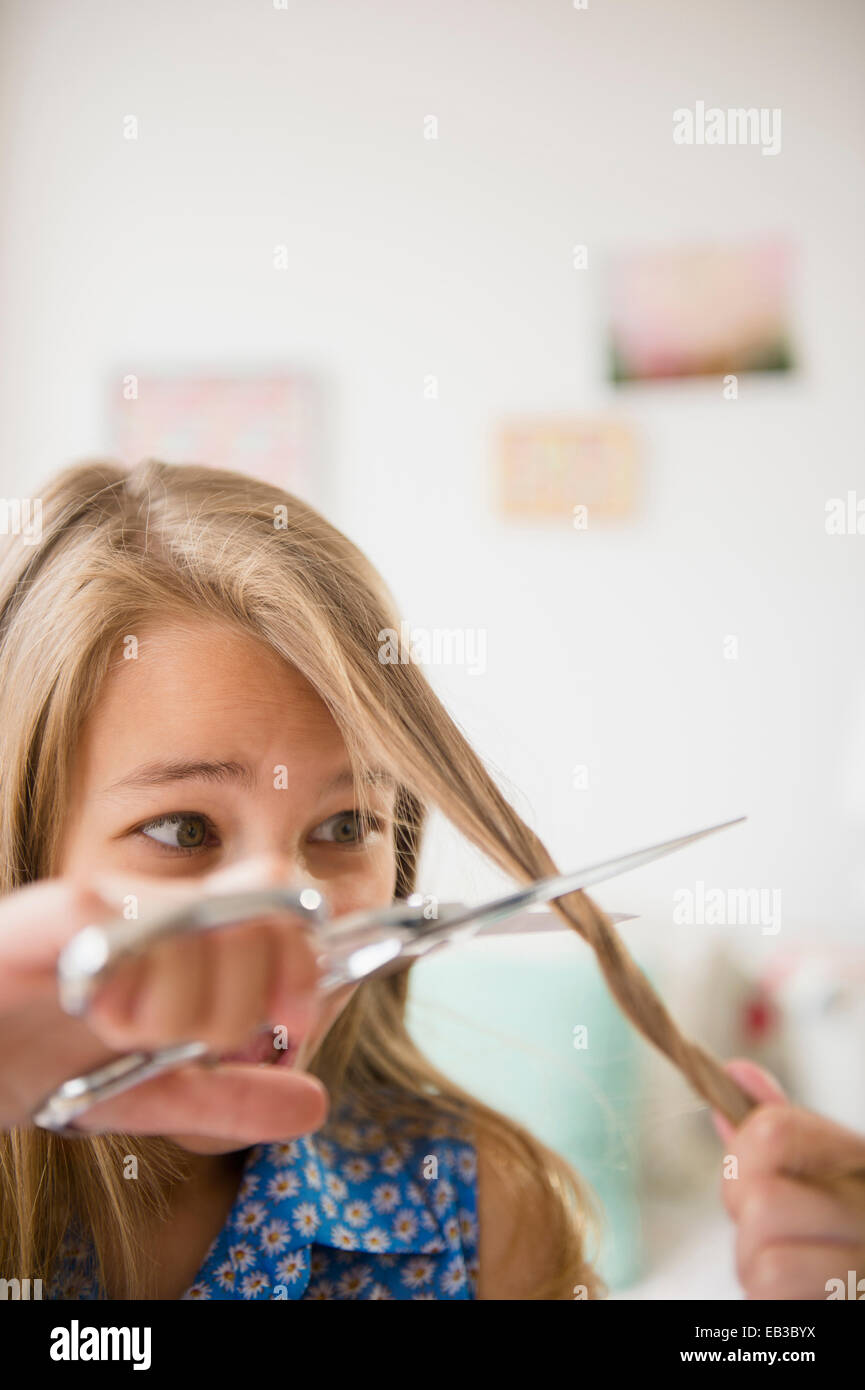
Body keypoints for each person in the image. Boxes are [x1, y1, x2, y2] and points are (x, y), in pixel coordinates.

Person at [0, 458, 862, 1300]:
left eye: (345, 827)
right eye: (184, 831)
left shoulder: (482, 1217)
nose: (294, 915)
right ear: (24, 851)